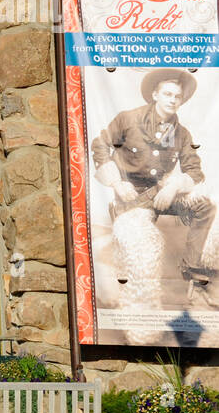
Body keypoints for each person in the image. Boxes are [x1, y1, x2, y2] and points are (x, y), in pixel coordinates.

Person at [90, 68, 215, 295]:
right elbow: (100, 144)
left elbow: (194, 171)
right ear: (155, 95)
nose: (173, 100)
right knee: (140, 249)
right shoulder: (128, 119)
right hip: (131, 197)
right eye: (168, 94)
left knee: (205, 206)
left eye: (177, 96)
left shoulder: (182, 134)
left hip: (162, 195)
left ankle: (191, 267)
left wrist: (175, 186)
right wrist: (117, 183)